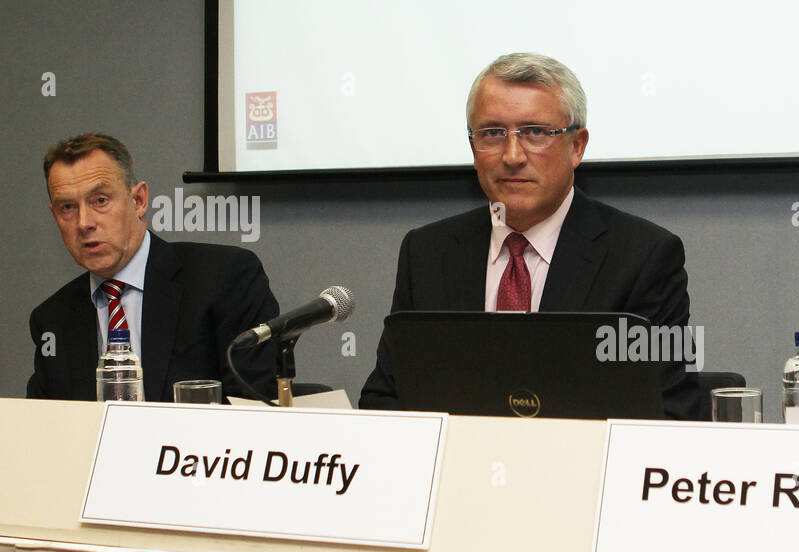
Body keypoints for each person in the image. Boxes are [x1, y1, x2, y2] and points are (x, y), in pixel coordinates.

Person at [359, 53, 698, 418]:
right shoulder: (426, 253)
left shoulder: (645, 257)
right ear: (474, 149)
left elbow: (669, 413)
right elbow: (386, 401)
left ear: (577, 146)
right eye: (492, 133)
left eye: (536, 132)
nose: (513, 155)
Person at [28, 133, 279, 402]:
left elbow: (252, 408)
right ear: (55, 217)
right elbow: (46, 424)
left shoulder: (225, 279)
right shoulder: (53, 318)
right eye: (67, 207)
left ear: (138, 201)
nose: (83, 222)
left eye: (100, 201)